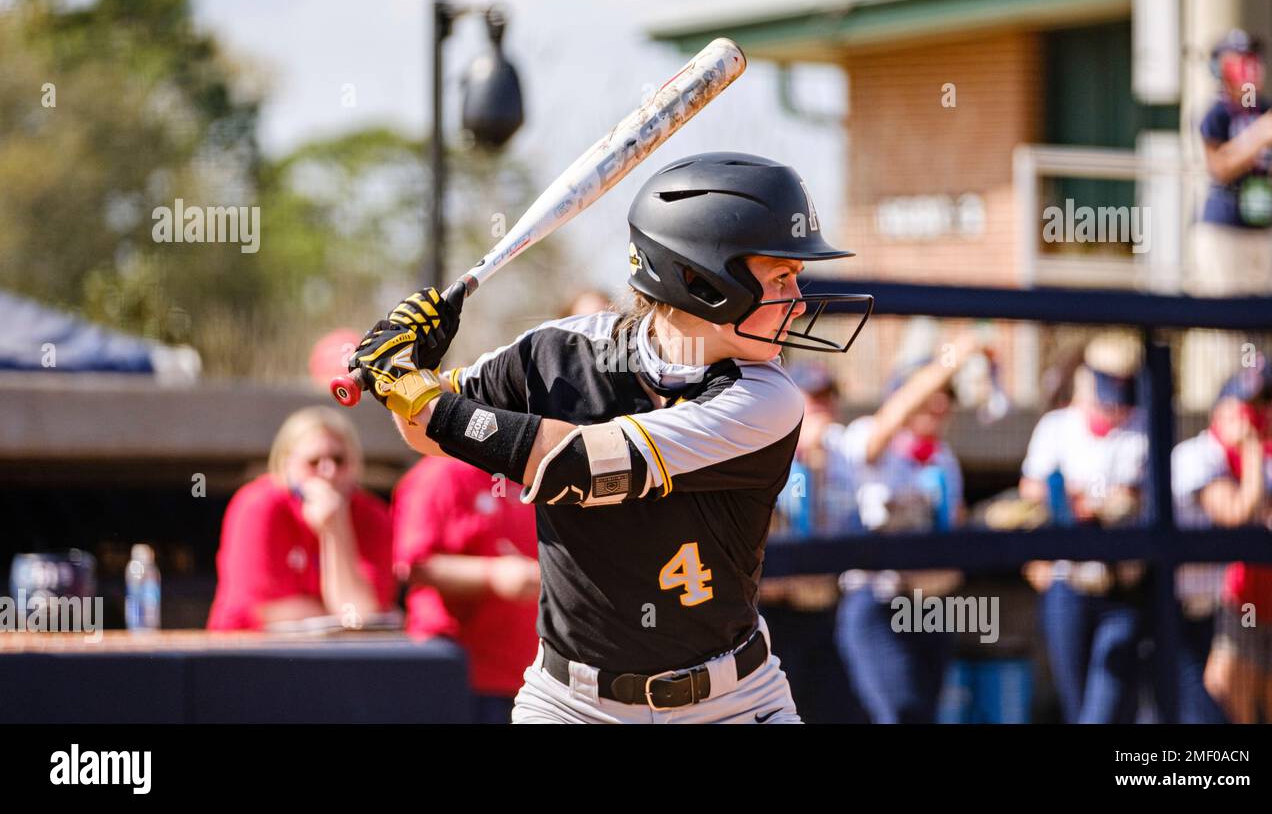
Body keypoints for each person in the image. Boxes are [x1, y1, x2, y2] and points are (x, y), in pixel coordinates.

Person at [346, 151, 873, 723]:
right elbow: (426, 434)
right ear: (699, 280)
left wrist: (416, 389)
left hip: (732, 702)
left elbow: (577, 467)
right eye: (780, 278)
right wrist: (411, 368)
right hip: (571, 703)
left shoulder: (766, 397)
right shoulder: (557, 351)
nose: (797, 302)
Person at [780, 338, 978, 723]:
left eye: (946, 397)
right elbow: (889, 421)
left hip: (922, 604)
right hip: (865, 600)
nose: (939, 406)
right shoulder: (867, 439)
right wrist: (951, 359)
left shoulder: (941, 458)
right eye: (929, 396)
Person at [1020, 332, 1149, 723]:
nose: (1114, 404)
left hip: (1122, 587)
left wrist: (1097, 502)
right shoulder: (1058, 426)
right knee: (1077, 708)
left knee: (1103, 711)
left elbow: (1133, 497)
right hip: (1069, 584)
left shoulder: (1143, 427)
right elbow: (1032, 490)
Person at [1183, 29, 1272, 409]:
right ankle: (1225, 408)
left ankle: (1264, 403)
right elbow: (1219, 166)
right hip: (1223, 233)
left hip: (1263, 230)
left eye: (1254, 58)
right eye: (1239, 59)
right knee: (1227, 329)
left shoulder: (1265, 110)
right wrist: (1260, 137)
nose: (1249, 67)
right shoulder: (1215, 112)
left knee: (1269, 323)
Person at [208, 407, 395, 631]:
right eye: (314, 462)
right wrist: (337, 615)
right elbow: (259, 611)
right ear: (287, 465)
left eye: (339, 460)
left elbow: (361, 616)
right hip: (251, 649)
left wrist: (335, 528)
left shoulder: (372, 515)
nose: (329, 471)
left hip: (332, 654)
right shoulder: (258, 506)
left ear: (355, 465)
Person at [391, 456, 540, 724]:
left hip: (526, 677)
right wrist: (493, 575)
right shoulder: (441, 474)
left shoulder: (526, 474)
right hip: (458, 671)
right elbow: (413, 565)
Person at [1189, 364, 1272, 723]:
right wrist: (1253, 449)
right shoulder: (1211, 452)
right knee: (1230, 712)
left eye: (1269, 400)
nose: (1259, 412)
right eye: (1250, 402)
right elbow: (1242, 513)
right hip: (1239, 603)